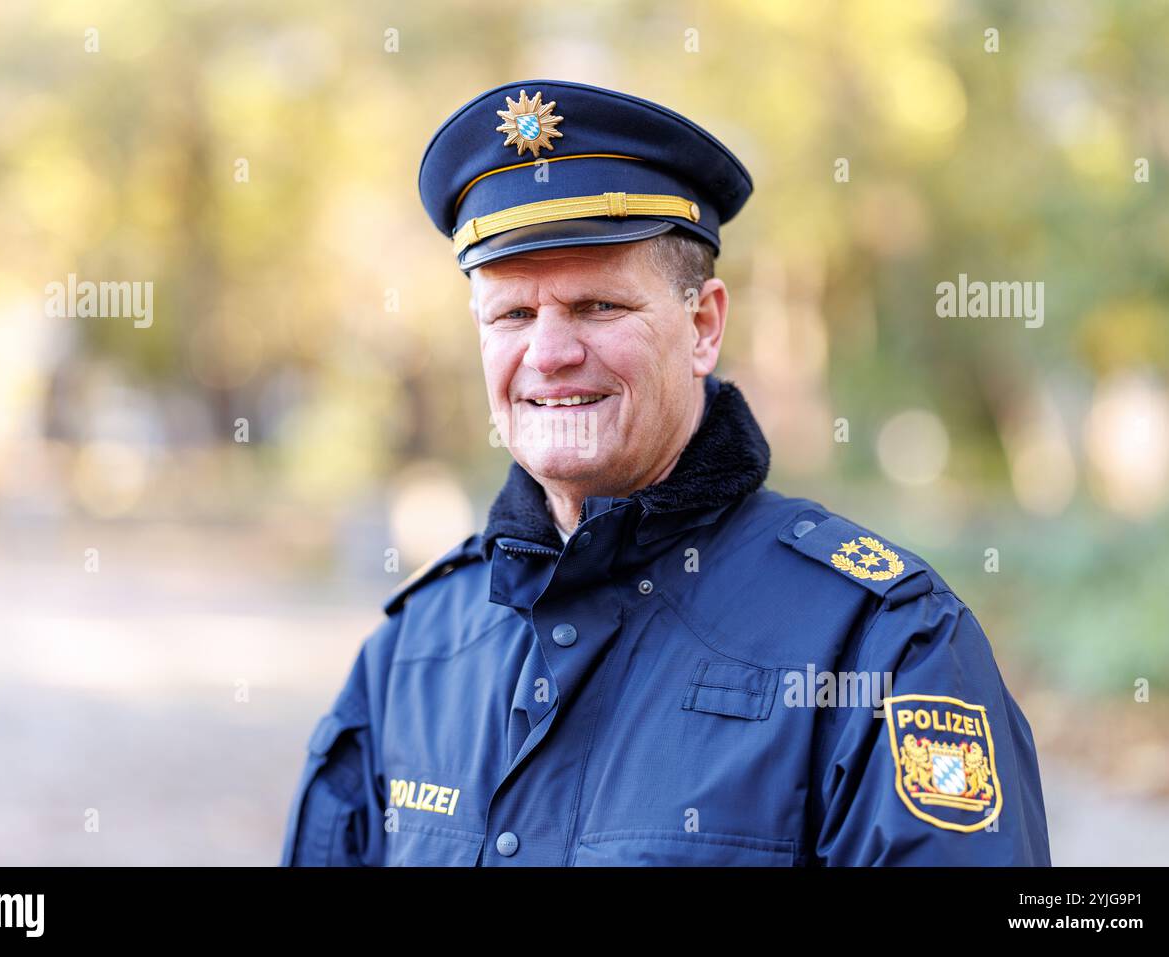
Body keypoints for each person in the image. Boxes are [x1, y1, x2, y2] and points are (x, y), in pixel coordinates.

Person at [280, 79, 1051, 866]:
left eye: (597, 307)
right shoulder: (411, 655)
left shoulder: (880, 645)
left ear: (704, 326)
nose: (548, 354)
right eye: (513, 314)